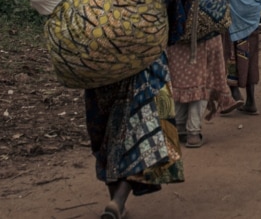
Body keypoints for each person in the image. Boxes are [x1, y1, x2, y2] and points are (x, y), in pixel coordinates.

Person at [84, 55, 183, 219]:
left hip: (99, 69)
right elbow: (174, 32)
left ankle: (116, 204)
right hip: (140, 69)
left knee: (108, 136)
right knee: (143, 140)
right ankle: (118, 201)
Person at [166, 15, 238, 148]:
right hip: (206, 33)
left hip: (176, 31)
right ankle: (193, 132)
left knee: (178, 77)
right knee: (202, 79)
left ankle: (179, 126)